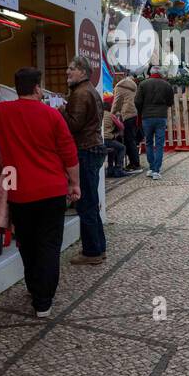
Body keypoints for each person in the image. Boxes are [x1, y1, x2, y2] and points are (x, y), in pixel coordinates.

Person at [0, 68, 80, 316]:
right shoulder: (51, 115)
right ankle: (44, 300)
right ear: (37, 88)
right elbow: (68, 153)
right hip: (52, 190)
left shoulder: (1, 112)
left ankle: (35, 288)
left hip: (19, 191)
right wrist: (74, 184)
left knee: (27, 244)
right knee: (49, 244)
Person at [60, 56, 108, 266]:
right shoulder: (89, 90)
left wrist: (60, 110)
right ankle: (98, 247)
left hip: (86, 150)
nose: (67, 72)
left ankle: (92, 252)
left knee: (85, 203)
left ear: (82, 71)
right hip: (94, 148)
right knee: (90, 202)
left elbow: (73, 125)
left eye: (71, 69)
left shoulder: (80, 93)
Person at [136, 65, 176, 178]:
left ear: (150, 72)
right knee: (159, 144)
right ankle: (156, 170)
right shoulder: (167, 85)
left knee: (148, 142)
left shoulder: (143, 84)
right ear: (161, 73)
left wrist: (142, 109)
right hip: (161, 117)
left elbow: (137, 101)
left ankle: (152, 166)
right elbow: (170, 102)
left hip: (147, 117)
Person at [113, 71, 142, 171]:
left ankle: (135, 164)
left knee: (129, 140)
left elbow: (116, 102)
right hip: (135, 113)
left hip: (127, 114)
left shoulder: (119, 87)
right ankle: (134, 162)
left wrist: (111, 114)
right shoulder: (133, 85)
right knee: (132, 140)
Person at [101, 96, 135, 179]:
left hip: (100, 140)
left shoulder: (99, 114)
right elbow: (121, 126)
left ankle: (110, 169)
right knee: (122, 147)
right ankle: (118, 169)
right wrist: (117, 133)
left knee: (113, 149)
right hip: (107, 139)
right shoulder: (111, 115)